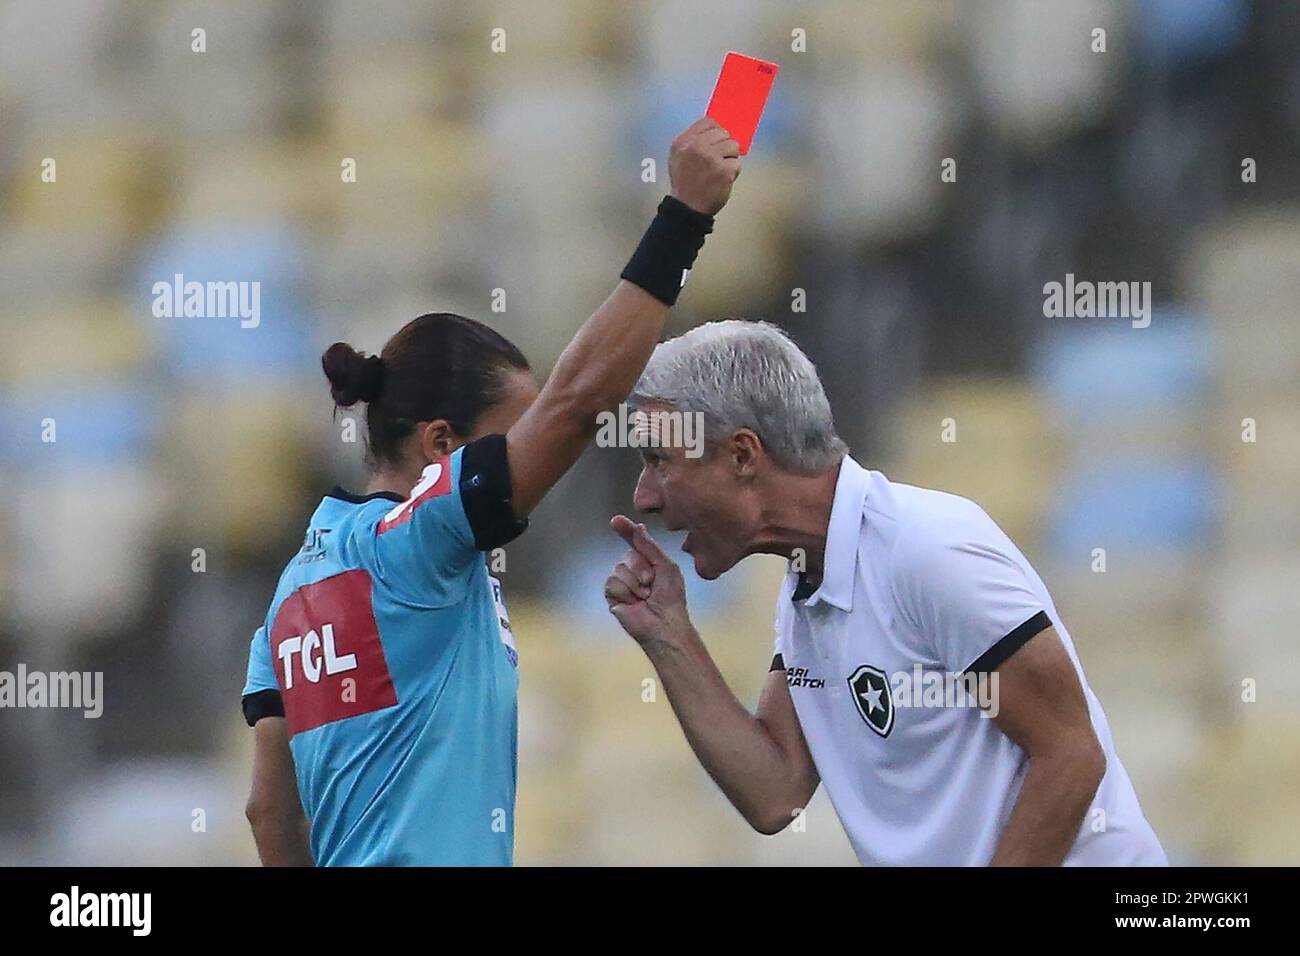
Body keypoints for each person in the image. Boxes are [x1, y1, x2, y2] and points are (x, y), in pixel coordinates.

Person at [240, 118, 741, 866]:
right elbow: (576, 408)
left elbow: (269, 809)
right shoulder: (417, 542)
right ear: (441, 445)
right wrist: (684, 221)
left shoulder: (292, 596)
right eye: (509, 436)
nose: (529, 460)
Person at [603, 320, 1168, 866]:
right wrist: (668, 633)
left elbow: (1071, 754)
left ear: (744, 455)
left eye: (659, 462)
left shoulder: (927, 548)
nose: (645, 496)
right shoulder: (810, 579)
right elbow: (776, 792)